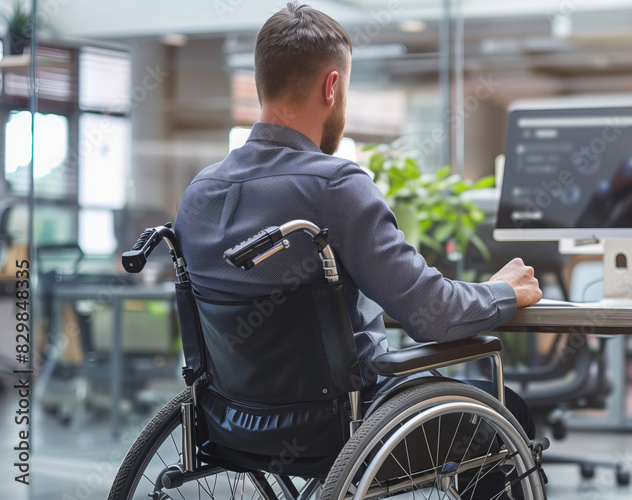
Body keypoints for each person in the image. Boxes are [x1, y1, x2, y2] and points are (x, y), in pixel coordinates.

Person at [174, 3, 541, 496]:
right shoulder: (334, 186)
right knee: (506, 410)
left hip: (229, 422)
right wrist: (502, 292)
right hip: (345, 428)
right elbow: (431, 314)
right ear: (332, 87)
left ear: (262, 82)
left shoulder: (199, 193)